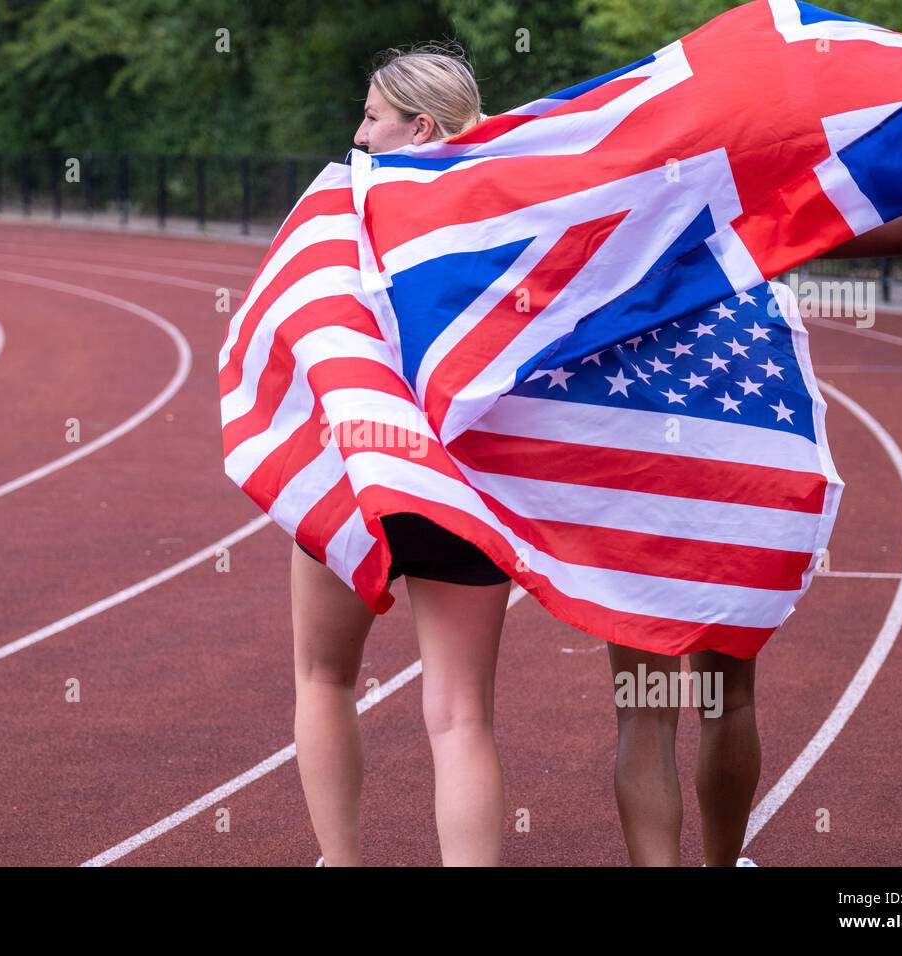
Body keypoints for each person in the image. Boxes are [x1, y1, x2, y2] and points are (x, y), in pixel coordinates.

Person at [610, 108, 902, 868]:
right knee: (726, 696)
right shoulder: (760, 205)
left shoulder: (611, 202)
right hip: (740, 459)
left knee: (646, 709)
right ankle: (723, 865)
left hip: (637, 468)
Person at [292, 42, 508, 867]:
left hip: (354, 469)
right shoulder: (512, 209)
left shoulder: (341, 204)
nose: (359, 130)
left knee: (323, 678)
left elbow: (296, 323)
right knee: (460, 716)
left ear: (419, 127)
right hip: (459, 481)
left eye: (374, 116)